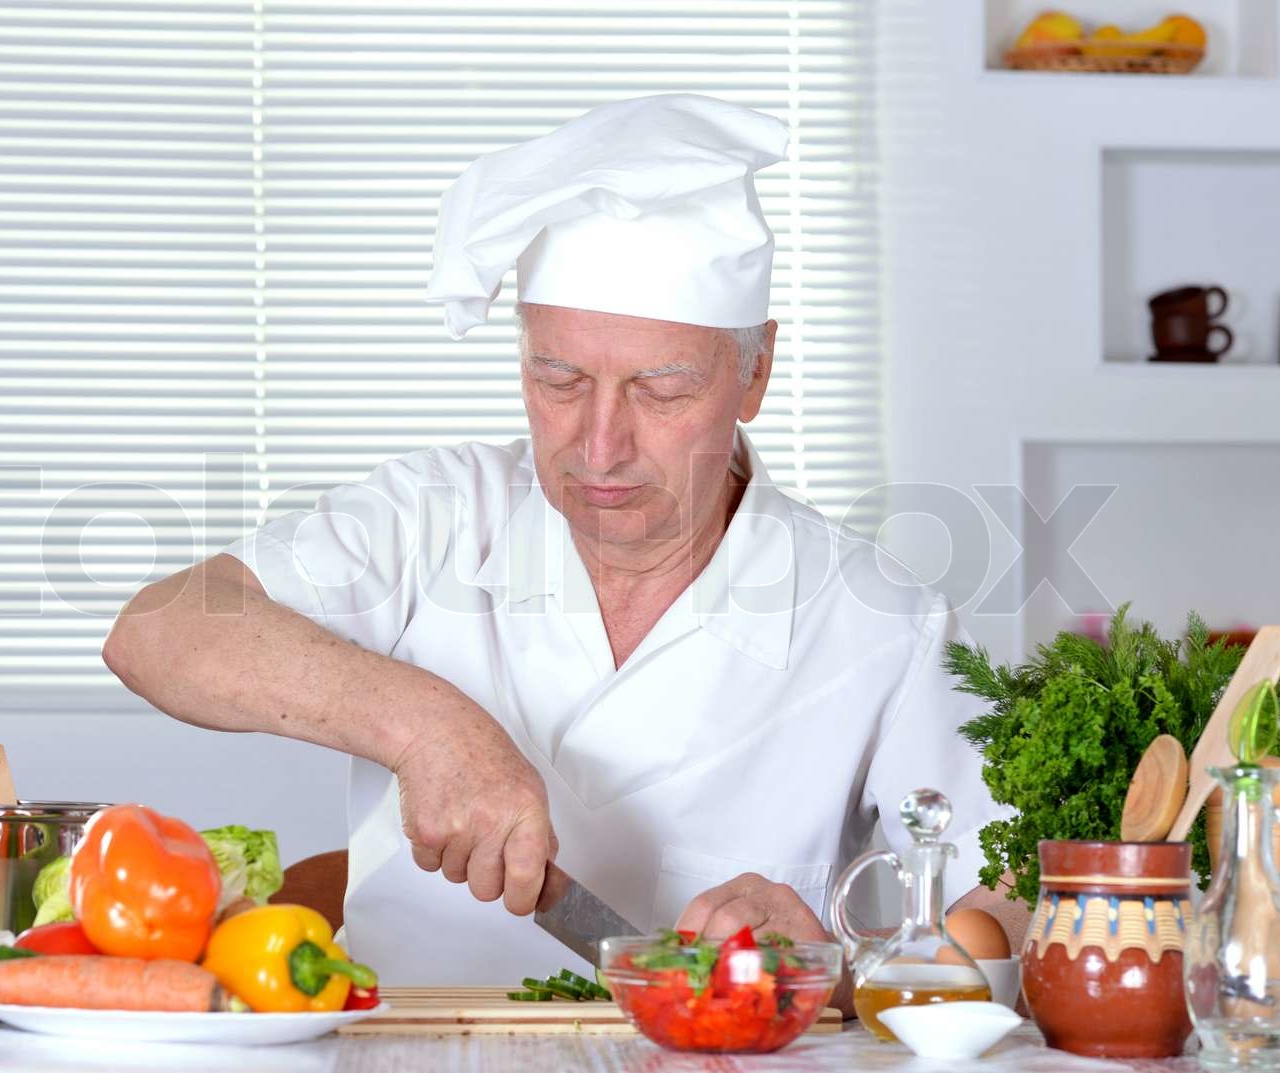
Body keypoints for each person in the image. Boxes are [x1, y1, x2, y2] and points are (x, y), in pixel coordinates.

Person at [102, 95, 1020, 1006]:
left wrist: (838, 959)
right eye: (559, 378)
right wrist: (423, 725)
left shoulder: (881, 624)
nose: (600, 445)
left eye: (660, 390)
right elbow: (155, 633)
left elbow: (1009, 897)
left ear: (755, 372)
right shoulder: (436, 513)